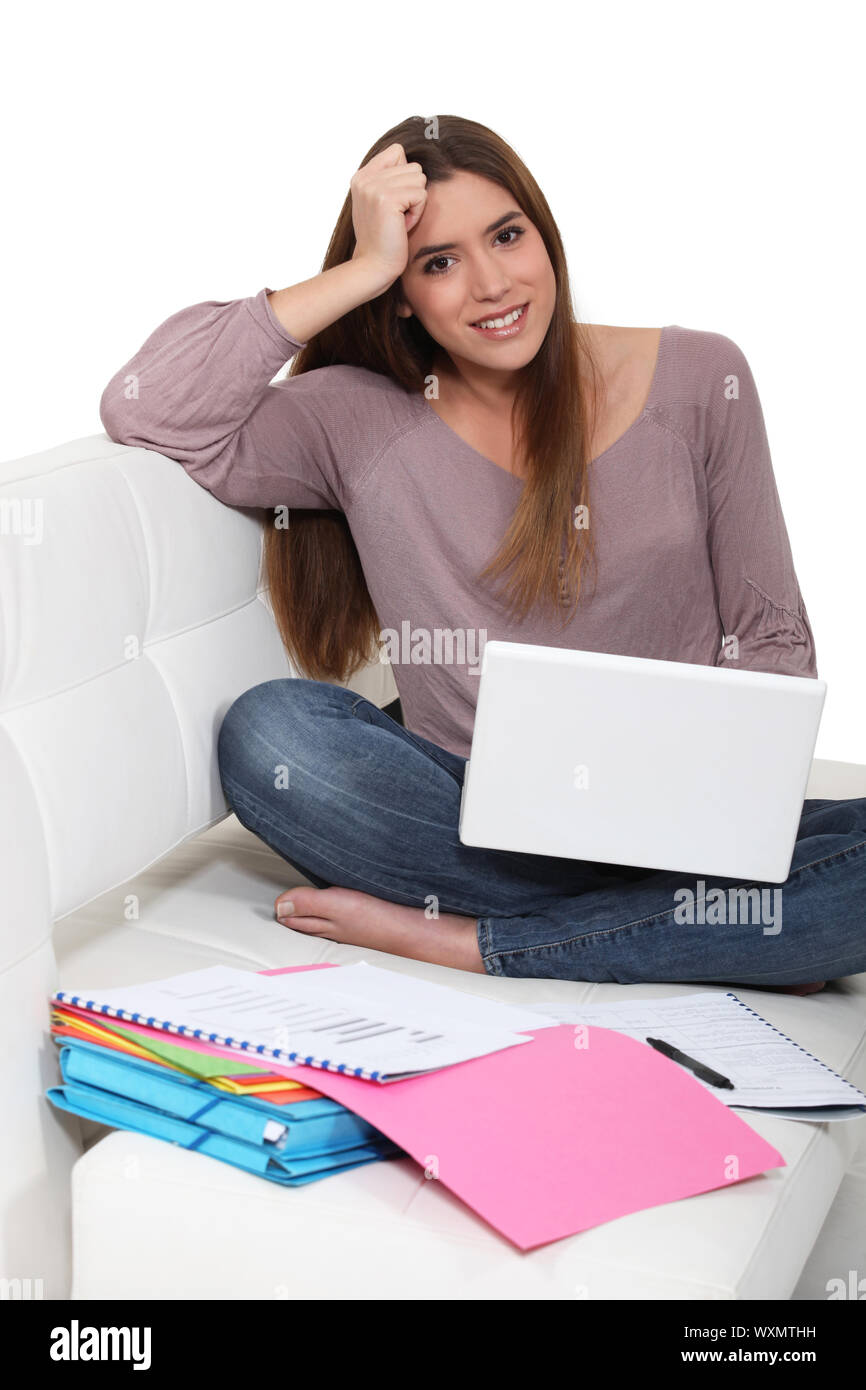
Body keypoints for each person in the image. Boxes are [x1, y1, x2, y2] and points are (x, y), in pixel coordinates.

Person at [99, 115, 866, 989]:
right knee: (273, 731)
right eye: (437, 263)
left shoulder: (701, 378)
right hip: (467, 818)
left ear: (544, 231)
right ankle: (688, 928)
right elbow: (144, 406)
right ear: (401, 294)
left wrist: (730, 805)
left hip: (685, 826)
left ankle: (475, 940)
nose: (493, 284)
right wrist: (356, 271)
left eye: (507, 236)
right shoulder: (352, 414)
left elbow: (771, 638)